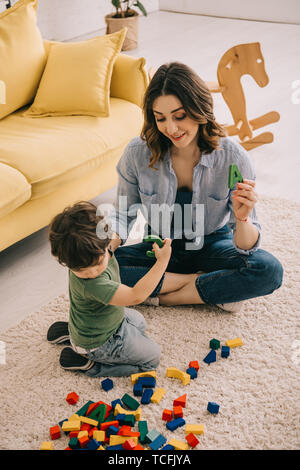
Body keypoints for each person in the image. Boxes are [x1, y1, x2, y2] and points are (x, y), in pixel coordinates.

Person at [107, 62, 283, 311]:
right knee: (103, 270)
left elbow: (247, 246)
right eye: (161, 118)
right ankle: (205, 286)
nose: (171, 128)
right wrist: (105, 249)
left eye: (180, 116)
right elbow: (122, 214)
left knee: (268, 269)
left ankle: (166, 296)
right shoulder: (137, 153)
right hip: (160, 248)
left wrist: (243, 220)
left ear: (200, 108)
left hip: (212, 244)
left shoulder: (233, 157)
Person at [46, 201, 172, 377]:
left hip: (104, 322)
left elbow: (113, 239)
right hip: (102, 342)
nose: (91, 272)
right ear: (67, 262)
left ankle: (76, 336)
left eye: (97, 263)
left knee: (140, 322)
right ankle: (90, 364)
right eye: (80, 269)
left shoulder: (87, 250)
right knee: (152, 359)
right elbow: (136, 296)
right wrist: (162, 262)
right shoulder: (94, 283)